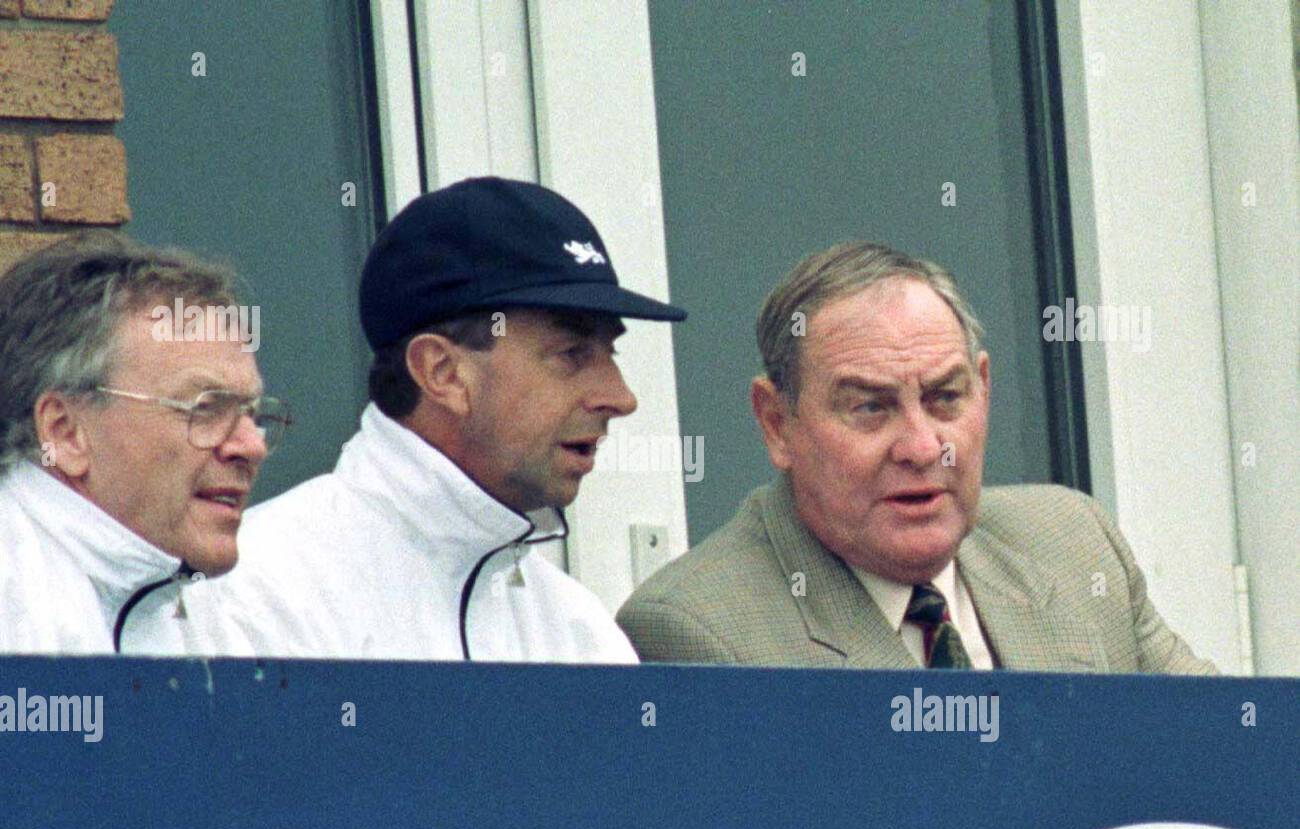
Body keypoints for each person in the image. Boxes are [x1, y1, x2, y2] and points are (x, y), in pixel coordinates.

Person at [617, 241, 1216, 674]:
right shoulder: (696, 632)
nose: (923, 447)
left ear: (984, 387)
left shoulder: (1075, 545)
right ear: (777, 424)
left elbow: (1225, 760)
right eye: (870, 408)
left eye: (945, 398)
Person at [208, 176, 686, 661]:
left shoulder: (577, 633)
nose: (621, 397)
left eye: (611, 352)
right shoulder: (252, 596)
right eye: (571, 353)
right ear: (443, 373)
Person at [0, 233, 289, 654]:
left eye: (251, 412)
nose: (251, 446)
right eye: (205, 408)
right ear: (65, 431)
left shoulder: (217, 607)